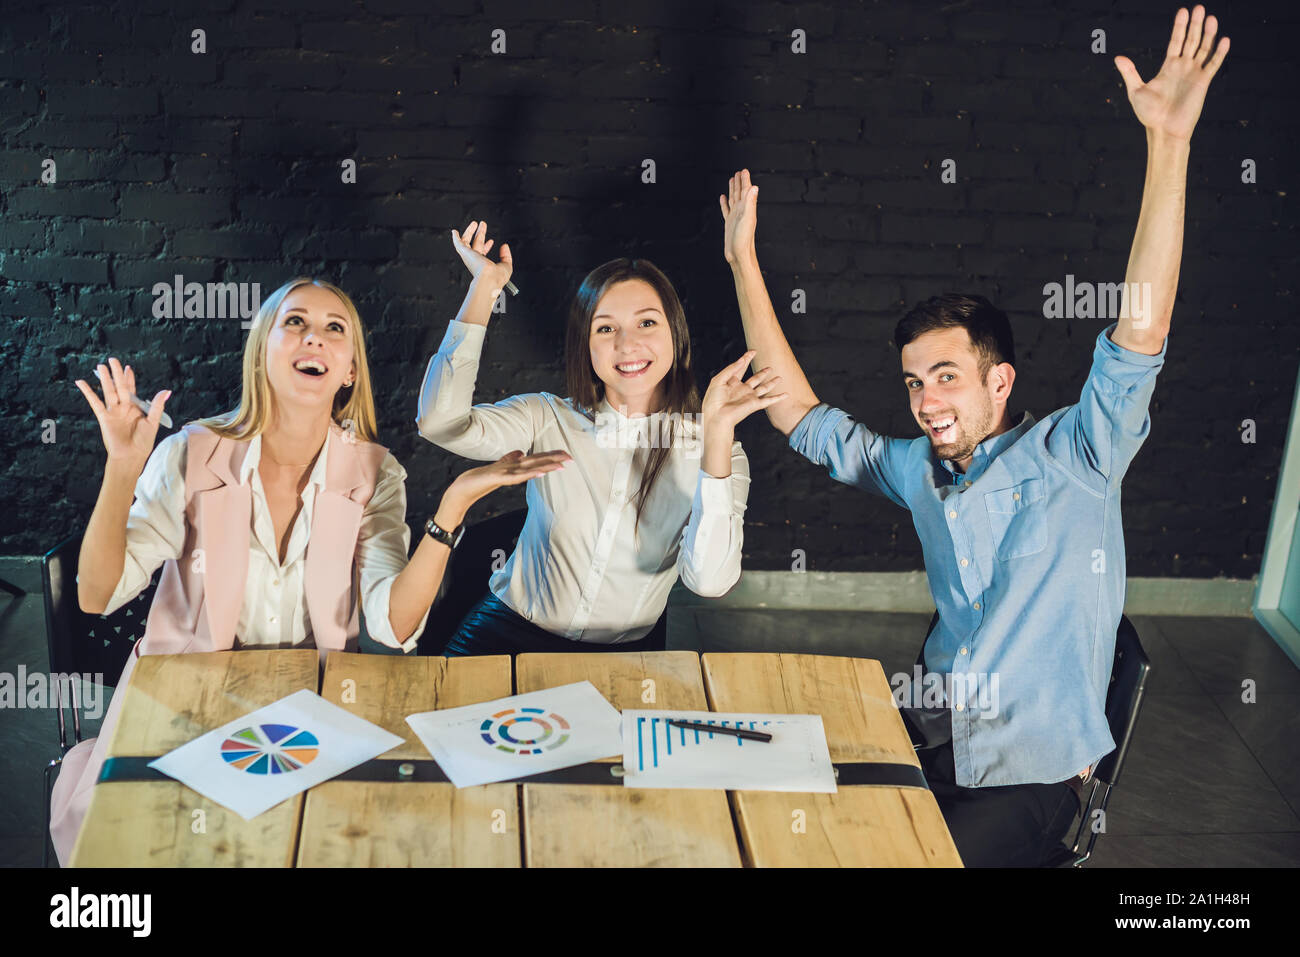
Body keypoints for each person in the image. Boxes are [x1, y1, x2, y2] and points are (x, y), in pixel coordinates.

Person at [717, 5, 1229, 866]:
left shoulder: (1081, 454)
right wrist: (742, 263)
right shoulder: (919, 467)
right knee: (786, 823)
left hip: (1037, 775)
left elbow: (1141, 330)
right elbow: (797, 415)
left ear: (1001, 381)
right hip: (938, 731)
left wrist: (1169, 145)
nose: (924, 398)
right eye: (914, 381)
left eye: (945, 376)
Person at [50, 276, 569, 865]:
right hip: (184, 703)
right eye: (294, 322)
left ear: (349, 370)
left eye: (333, 328)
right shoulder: (190, 452)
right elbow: (96, 595)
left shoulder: (376, 474)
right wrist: (122, 466)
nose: (313, 337)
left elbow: (394, 624)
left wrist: (452, 507)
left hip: (308, 708)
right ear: (263, 352)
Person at [416, 222, 785, 655]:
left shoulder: (717, 449)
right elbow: (440, 423)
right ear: (586, 346)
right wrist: (484, 287)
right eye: (606, 329)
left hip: (623, 656)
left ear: (675, 335)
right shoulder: (546, 417)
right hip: (504, 633)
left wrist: (717, 435)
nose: (628, 345)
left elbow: (709, 582)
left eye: (647, 322)